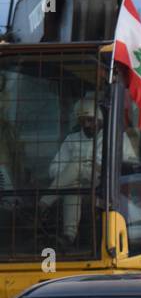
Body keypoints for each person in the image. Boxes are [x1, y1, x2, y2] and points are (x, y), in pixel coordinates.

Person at [42, 93, 101, 243]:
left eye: (91, 120)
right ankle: (69, 236)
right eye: (83, 121)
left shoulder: (114, 137)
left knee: (77, 165)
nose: (87, 125)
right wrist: (71, 173)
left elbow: (126, 165)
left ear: (100, 119)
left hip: (103, 185)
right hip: (81, 187)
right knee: (73, 185)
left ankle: (43, 204)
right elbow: (53, 169)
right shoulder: (72, 139)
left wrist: (88, 166)